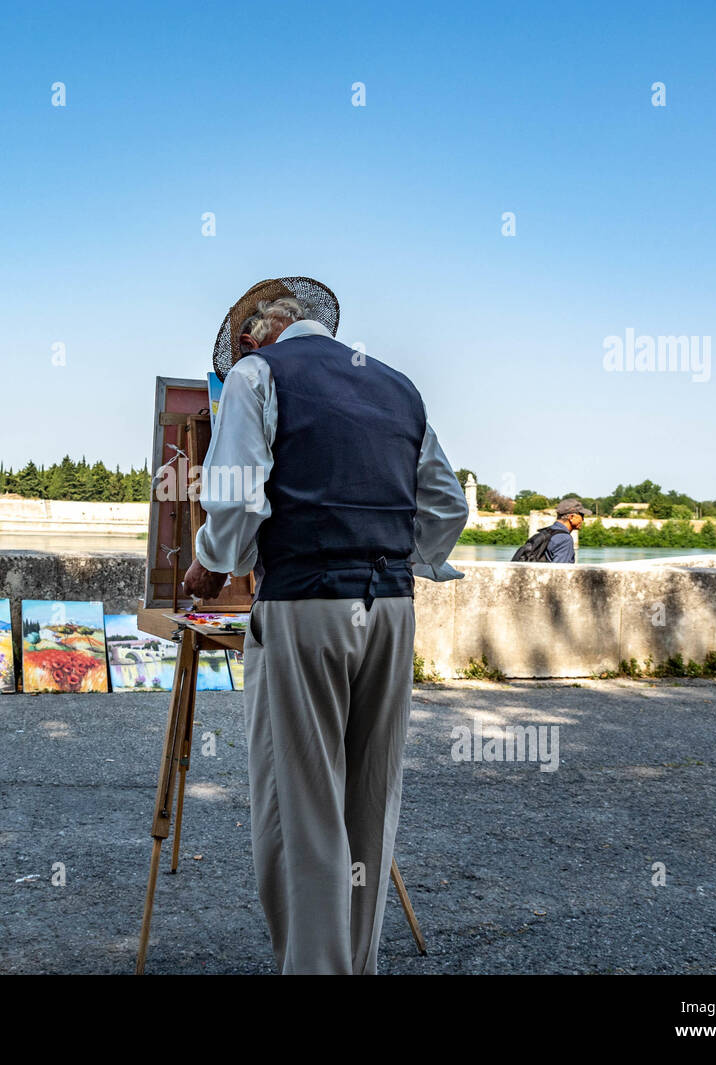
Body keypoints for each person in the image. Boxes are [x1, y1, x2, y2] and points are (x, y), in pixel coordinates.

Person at [182, 276, 468, 974]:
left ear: (255, 336)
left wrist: (211, 564)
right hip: (391, 609)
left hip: (305, 605)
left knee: (302, 810)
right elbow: (447, 507)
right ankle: (356, 964)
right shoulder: (399, 387)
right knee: (369, 802)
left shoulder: (256, 375)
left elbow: (237, 497)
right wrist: (401, 560)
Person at [512, 498, 588, 563]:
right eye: (581, 515)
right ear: (571, 517)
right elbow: (561, 572)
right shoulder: (565, 539)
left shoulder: (546, 532)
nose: (583, 519)